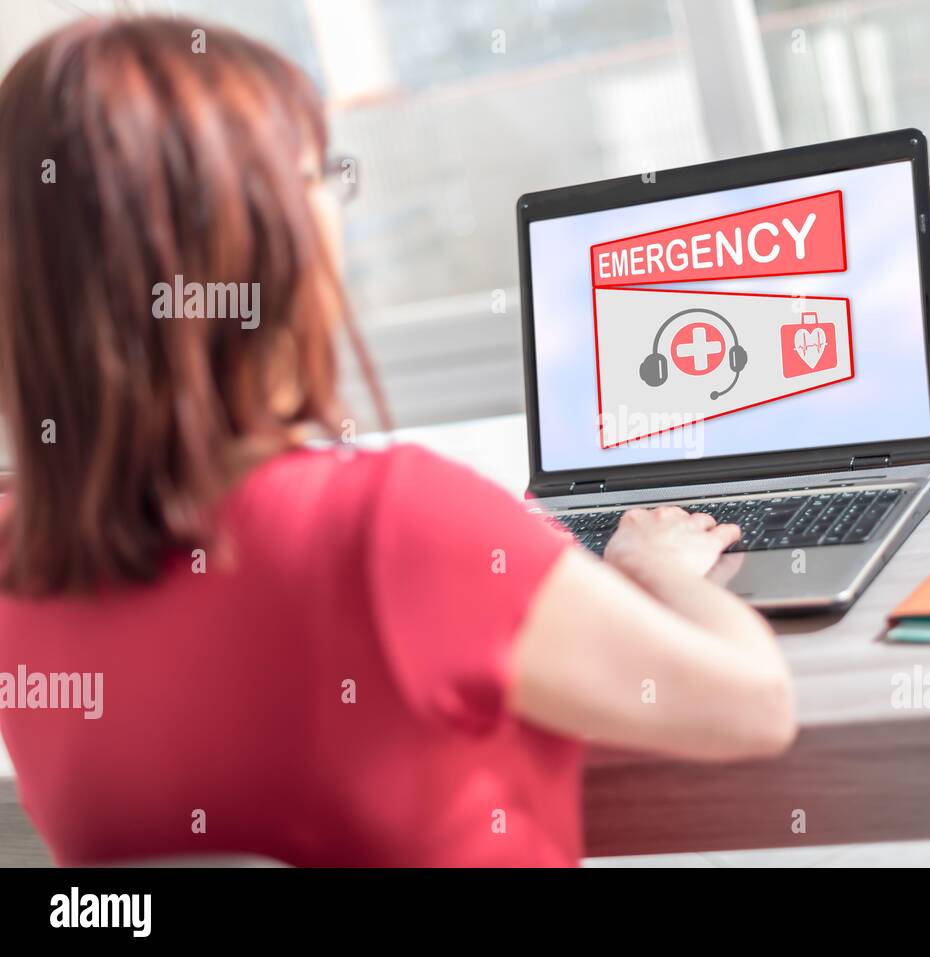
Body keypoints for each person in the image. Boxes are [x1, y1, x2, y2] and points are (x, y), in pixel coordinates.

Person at [0, 16, 794, 867]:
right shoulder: (390, 526)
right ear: (254, 237)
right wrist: (654, 572)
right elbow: (753, 709)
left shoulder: (21, 566)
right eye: (318, 177)